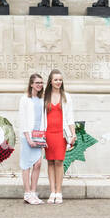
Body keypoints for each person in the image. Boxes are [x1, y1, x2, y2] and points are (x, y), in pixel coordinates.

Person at [42, 69, 75, 204]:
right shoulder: (45, 96)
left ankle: (59, 191)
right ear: (51, 81)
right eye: (56, 80)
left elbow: (70, 117)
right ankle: (52, 192)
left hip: (61, 134)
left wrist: (73, 134)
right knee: (50, 161)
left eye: (60, 80)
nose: (58, 82)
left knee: (59, 161)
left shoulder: (66, 96)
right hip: (47, 133)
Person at [17, 73, 47, 204]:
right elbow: (22, 119)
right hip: (27, 136)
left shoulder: (42, 100)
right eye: (37, 83)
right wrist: (28, 137)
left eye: (41, 83)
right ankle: (27, 193)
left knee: (38, 163)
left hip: (39, 135)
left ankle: (34, 192)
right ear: (31, 84)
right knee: (26, 164)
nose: (39, 85)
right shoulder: (25, 99)